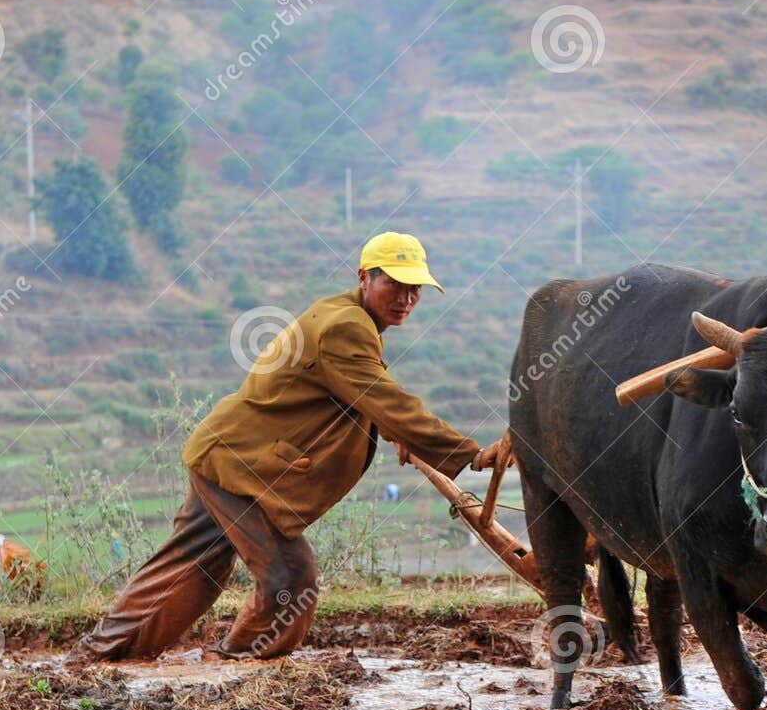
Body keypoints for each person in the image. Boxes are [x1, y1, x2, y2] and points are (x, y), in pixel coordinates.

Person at [76, 232, 482, 662]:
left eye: (414, 288)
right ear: (365, 277)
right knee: (290, 577)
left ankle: (98, 659)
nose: (406, 297)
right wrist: (468, 453)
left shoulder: (345, 316)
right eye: (395, 284)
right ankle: (242, 668)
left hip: (229, 455)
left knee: (191, 565)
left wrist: (400, 433)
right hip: (242, 468)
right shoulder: (346, 328)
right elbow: (384, 399)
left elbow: (360, 398)